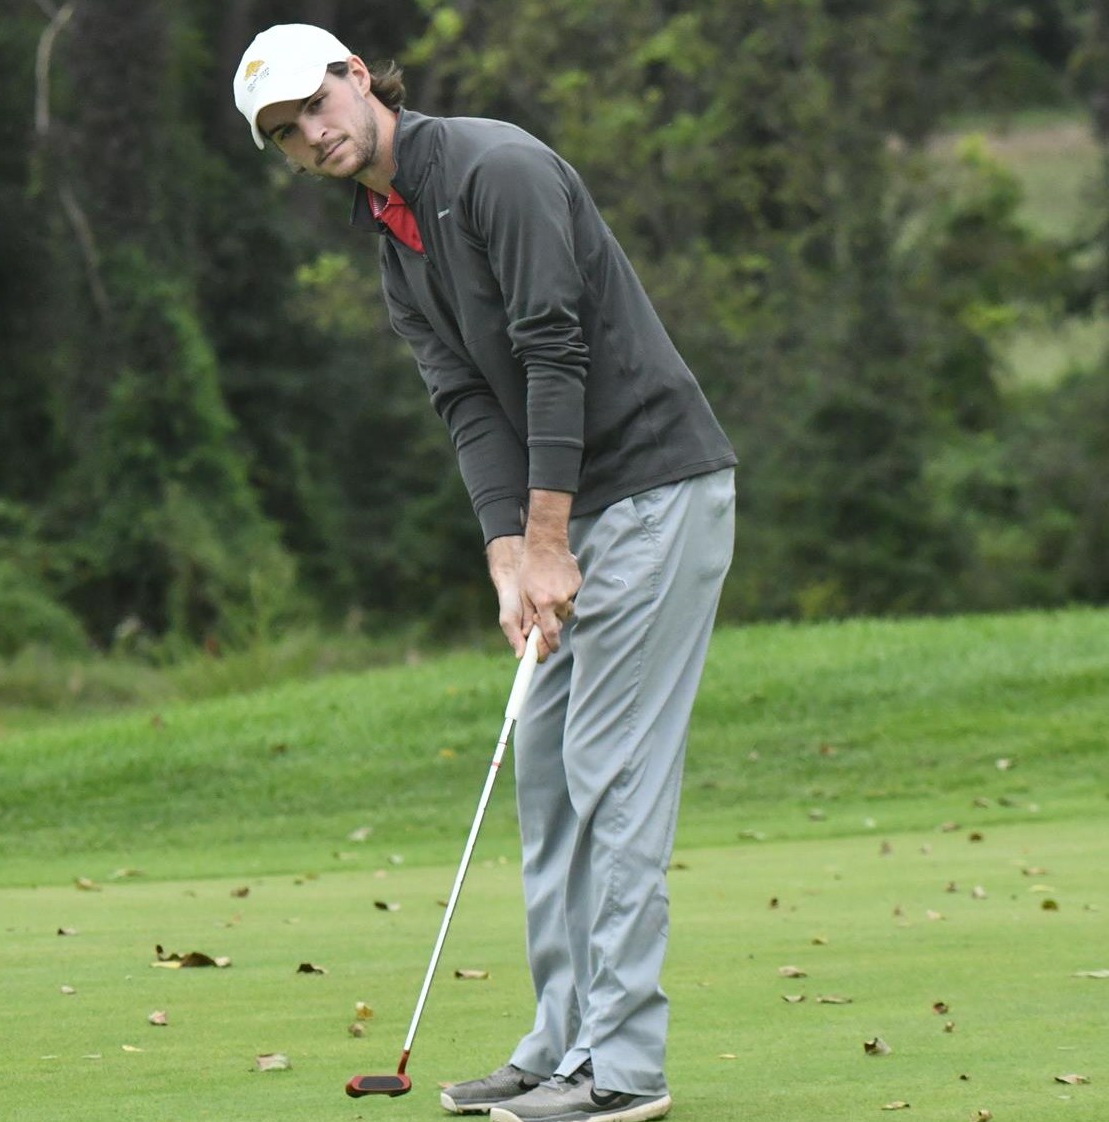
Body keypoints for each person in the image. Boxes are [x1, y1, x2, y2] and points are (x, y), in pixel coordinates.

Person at [234, 23, 737, 1122]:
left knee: (609, 771)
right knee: (547, 770)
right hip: (571, 514)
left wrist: (548, 533)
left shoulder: (493, 169)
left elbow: (555, 351)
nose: (310, 134)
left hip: (652, 491)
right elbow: (467, 399)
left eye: (315, 104)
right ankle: (559, 1043)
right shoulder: (391, 231)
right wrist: (507, 551)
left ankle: (621, 1069)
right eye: (283, 133)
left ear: (357, 76)